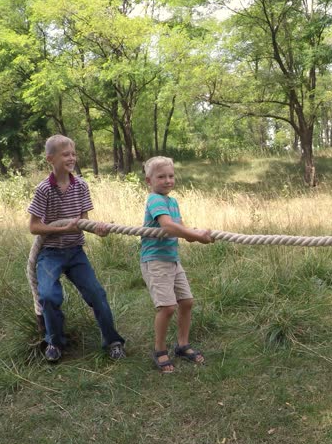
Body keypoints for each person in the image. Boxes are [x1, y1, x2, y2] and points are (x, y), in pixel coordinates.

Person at [28, 135, 126, 362]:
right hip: (50, 253)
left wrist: (97, 230)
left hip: (75, 252)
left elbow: (83, 222)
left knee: (97, 294)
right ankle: (55, 342)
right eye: (65, 154)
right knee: (49, 296)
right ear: (50, 159)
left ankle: (113, 341)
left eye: (73, 153)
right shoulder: (43, 189)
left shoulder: (81, 185)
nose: (71, 158)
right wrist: (61, 229)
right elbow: (34, 227)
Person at [140, 156, 214, 373]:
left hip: (172, 260)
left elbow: (181, 228)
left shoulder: (172, 201)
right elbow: (169, 227)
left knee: (187, 301)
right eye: (161, 176)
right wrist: (195, 235)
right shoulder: (155, 199)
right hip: (155, 260)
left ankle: (182, 345)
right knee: (167, 307)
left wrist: (198, 235)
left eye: (171, 176)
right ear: (149, 180)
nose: (167, 180)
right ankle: (160, 350)